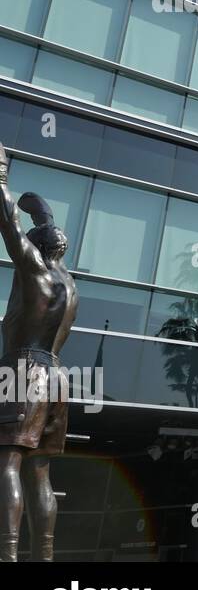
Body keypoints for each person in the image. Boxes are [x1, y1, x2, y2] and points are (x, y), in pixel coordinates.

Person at [0, 141, 78, 562]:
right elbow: (43, 231)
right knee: (40, 471)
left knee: (6, 462)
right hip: (57, 378)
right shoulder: (69, 284)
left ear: (37, 249)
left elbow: (9, 226)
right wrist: (43, 214)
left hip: (23, 370)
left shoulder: (37, 273)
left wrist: (1, 178)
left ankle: (7, 555)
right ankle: (42, 556)